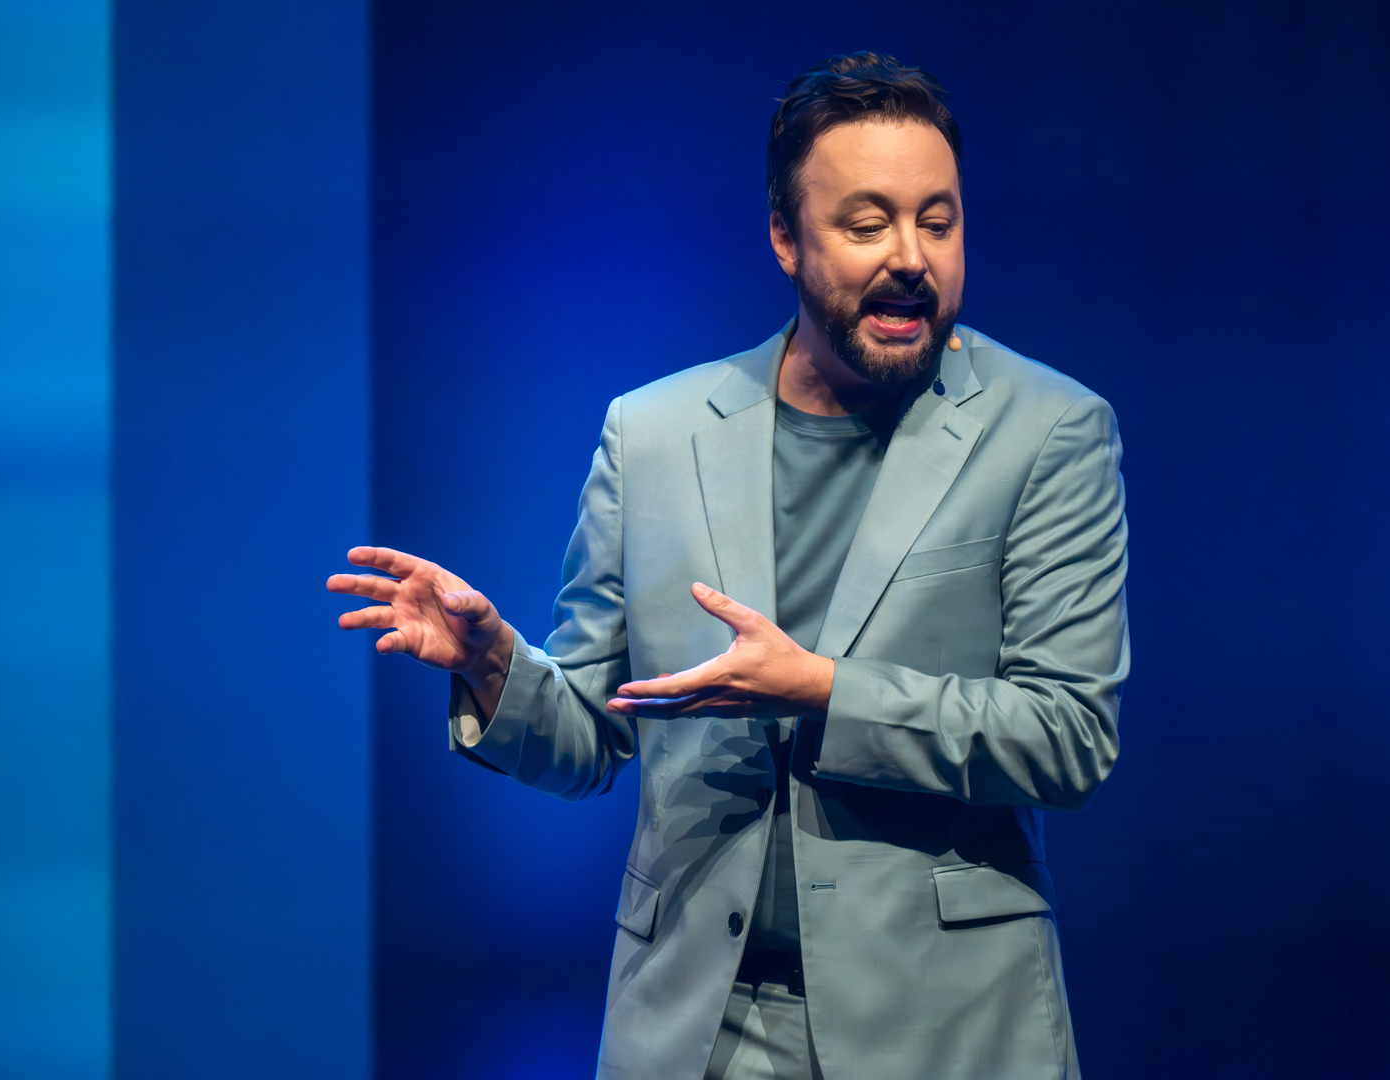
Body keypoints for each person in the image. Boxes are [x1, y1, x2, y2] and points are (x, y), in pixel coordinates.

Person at [329, 52, 1128, 1080]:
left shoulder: (1048, 430)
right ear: (786, 239)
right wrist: (493, 666)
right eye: (866, 222)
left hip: (947, 1032)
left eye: (938, 220)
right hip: (696, 1030)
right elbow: (592, 734)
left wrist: (824, 694)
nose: (911, 257)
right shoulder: (654, 433)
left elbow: (1069, 738)